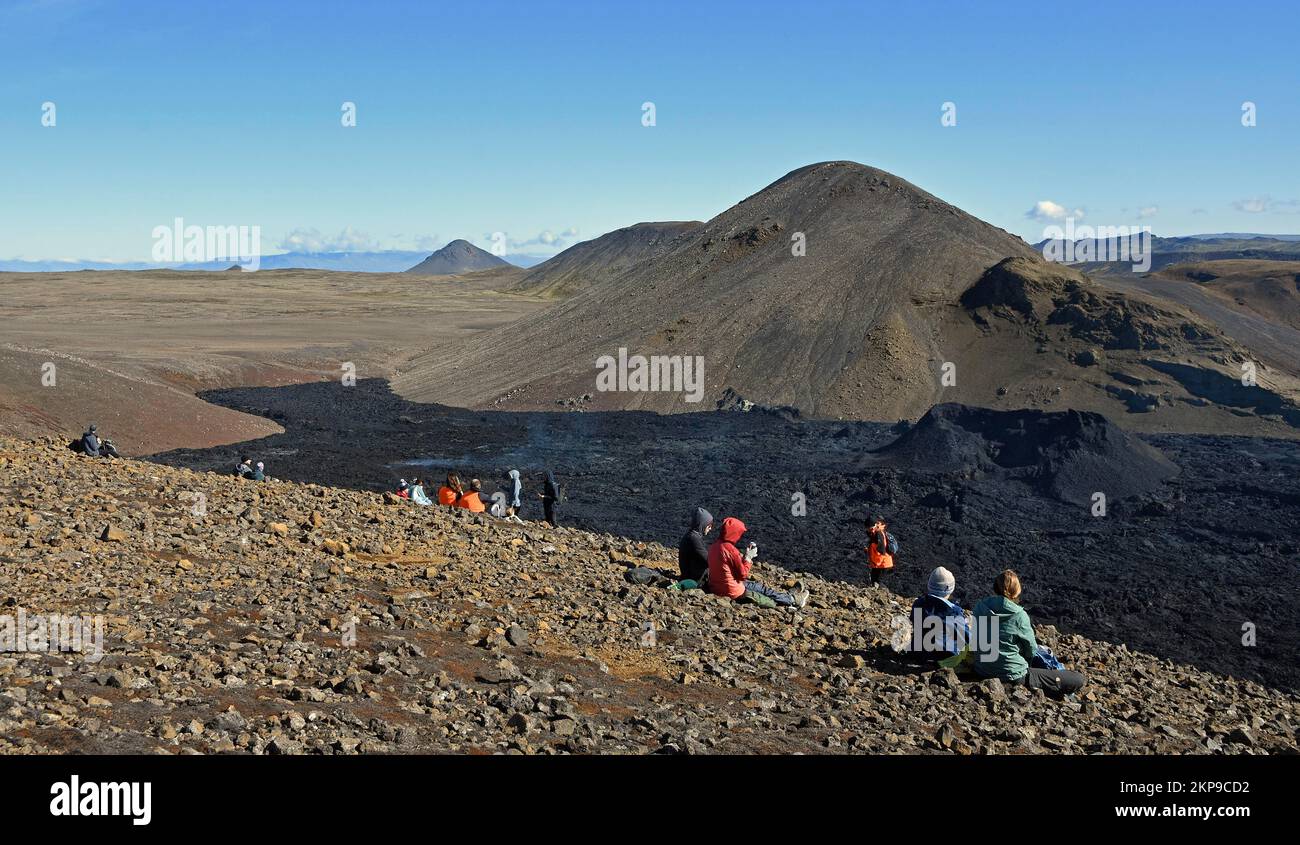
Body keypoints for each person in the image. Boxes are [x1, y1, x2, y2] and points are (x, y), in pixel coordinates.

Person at [971, 569, 1086, 697]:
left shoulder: (979, 608)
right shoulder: (1019, 615)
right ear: (1016, 591)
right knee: (1077, 678)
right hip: (1012, 675)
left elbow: (976, 640)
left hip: (981, 670)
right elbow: (1031, 650)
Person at [707, 517, 809, 608]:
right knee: (765, 594)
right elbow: (742, 575)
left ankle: (788, 595)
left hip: (718, 588)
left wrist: (744, 558)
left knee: (758, 587)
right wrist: (749, 558)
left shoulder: (714, 546)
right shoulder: (730, 550)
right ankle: (793, 600)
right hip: (732, 591)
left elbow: (730, 570)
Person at [908, 567, 971, 659]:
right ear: (949, 589)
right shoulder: (953, 611)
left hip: (918, 652)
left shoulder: (918, 603)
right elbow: (966, 638)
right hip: (943, 656)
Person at [677, 507, 713, 583]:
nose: (710, 528)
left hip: (690, 576)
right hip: (694, 580)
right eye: (709, 525)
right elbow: (708, 560)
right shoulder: (694, 539)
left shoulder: (692, 535)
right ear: (703, 524)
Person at [864, 514, 897, 588]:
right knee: (874, 580)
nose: (869, 529)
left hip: (882, 563)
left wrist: (875, 563)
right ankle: (877, 595)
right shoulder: (874, 533)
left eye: (870, 527)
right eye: (868, 528)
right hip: (879, 563)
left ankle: (885, 595)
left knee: (878, 581)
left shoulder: (879, 534)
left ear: (875, 525)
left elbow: (882, 551)